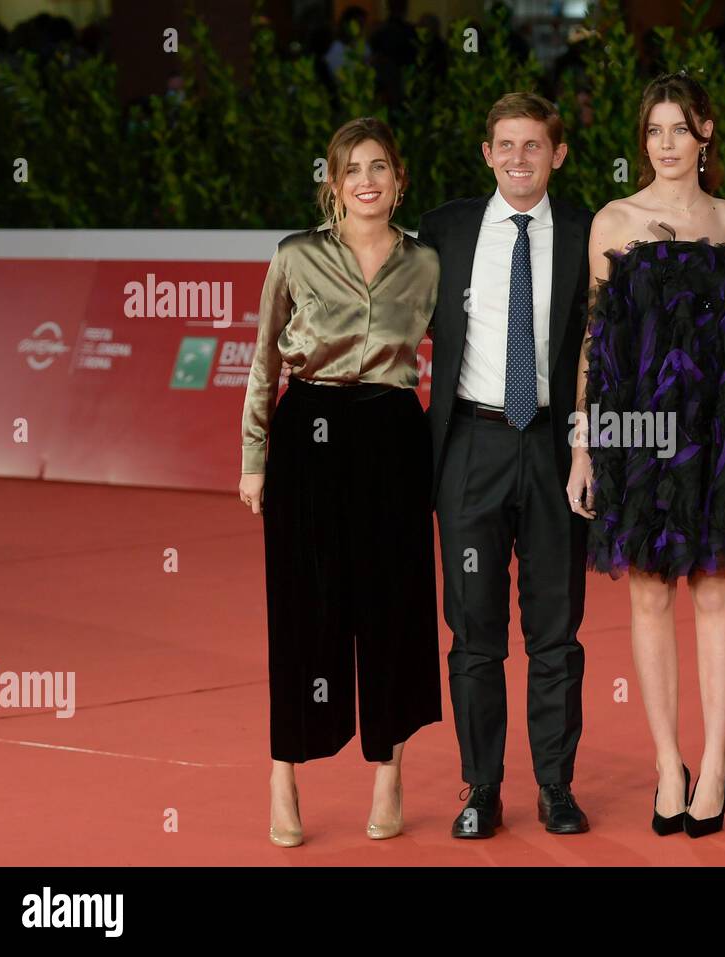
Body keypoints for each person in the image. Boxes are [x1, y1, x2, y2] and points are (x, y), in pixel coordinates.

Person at [570, 73, 725, 838]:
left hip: (714, 428)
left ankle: (716, 763)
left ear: (706, 133)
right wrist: (582, 446)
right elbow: (597, 340)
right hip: (632, 431)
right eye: (653, 130)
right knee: (650, 593)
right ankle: (668, 763)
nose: (666, 143)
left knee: (716, 589)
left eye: (679, 128)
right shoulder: (612, 222)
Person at [239, 117, 441, 847]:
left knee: (392, 607)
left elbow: (448, 364)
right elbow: (264, 358)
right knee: (302, 609)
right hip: (308, 435)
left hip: (392, 433)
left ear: (398, 179)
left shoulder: (426, 264)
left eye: (379, 167)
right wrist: (253, 458)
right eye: (352, 168)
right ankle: (283, 773)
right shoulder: (295, 256)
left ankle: (389, 767)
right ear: (332, 182)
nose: (366, 180)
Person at [417, 93, 595, 839]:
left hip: (556, 446)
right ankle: (481, 787)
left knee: (556, 633)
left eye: (534, 146)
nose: (519, 158)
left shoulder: (589, 232)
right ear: (486, 154)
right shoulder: (446, 230)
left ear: (557, 154)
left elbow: (601, 350)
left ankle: (555, 786)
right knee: (474, 632)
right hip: (469, 446)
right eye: (505, 145)